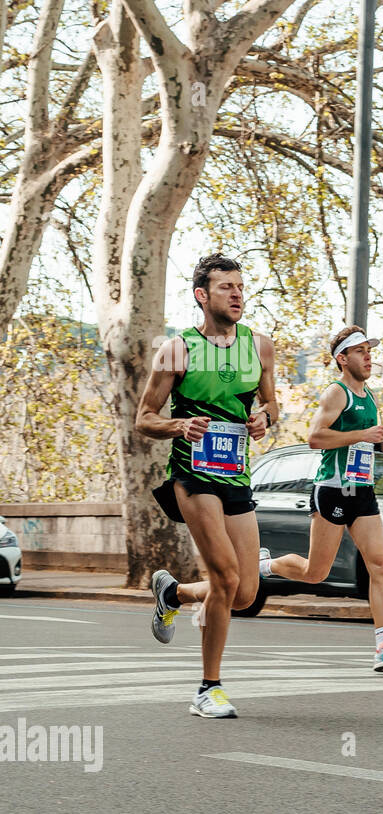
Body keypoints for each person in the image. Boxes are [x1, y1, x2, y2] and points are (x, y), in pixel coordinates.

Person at [137, 254, 278, 719]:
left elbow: (272, 406)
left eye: (241, 287)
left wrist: (264, 420)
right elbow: (145, 419)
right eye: (227, 288)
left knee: (245, 592)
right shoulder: (177, 349)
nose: (238, 295)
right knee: (226, 577)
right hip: (193, 476)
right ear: (202, 295)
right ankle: (208, 688)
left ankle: (173, 593)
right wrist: (178, 426)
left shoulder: (260, 346)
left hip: (236, 474)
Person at [258, 326, 383, 672]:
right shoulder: (336, 392)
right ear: (342, 359)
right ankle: (265, 566)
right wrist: (364, 434)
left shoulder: (369, 395)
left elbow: (358, 441)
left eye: (369, 350)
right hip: (332, 489)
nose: (369, 356)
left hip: (362, 490)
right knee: (316, 572)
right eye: (360, 351)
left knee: (381, 564)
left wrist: (381, 446)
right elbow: (316, 437)